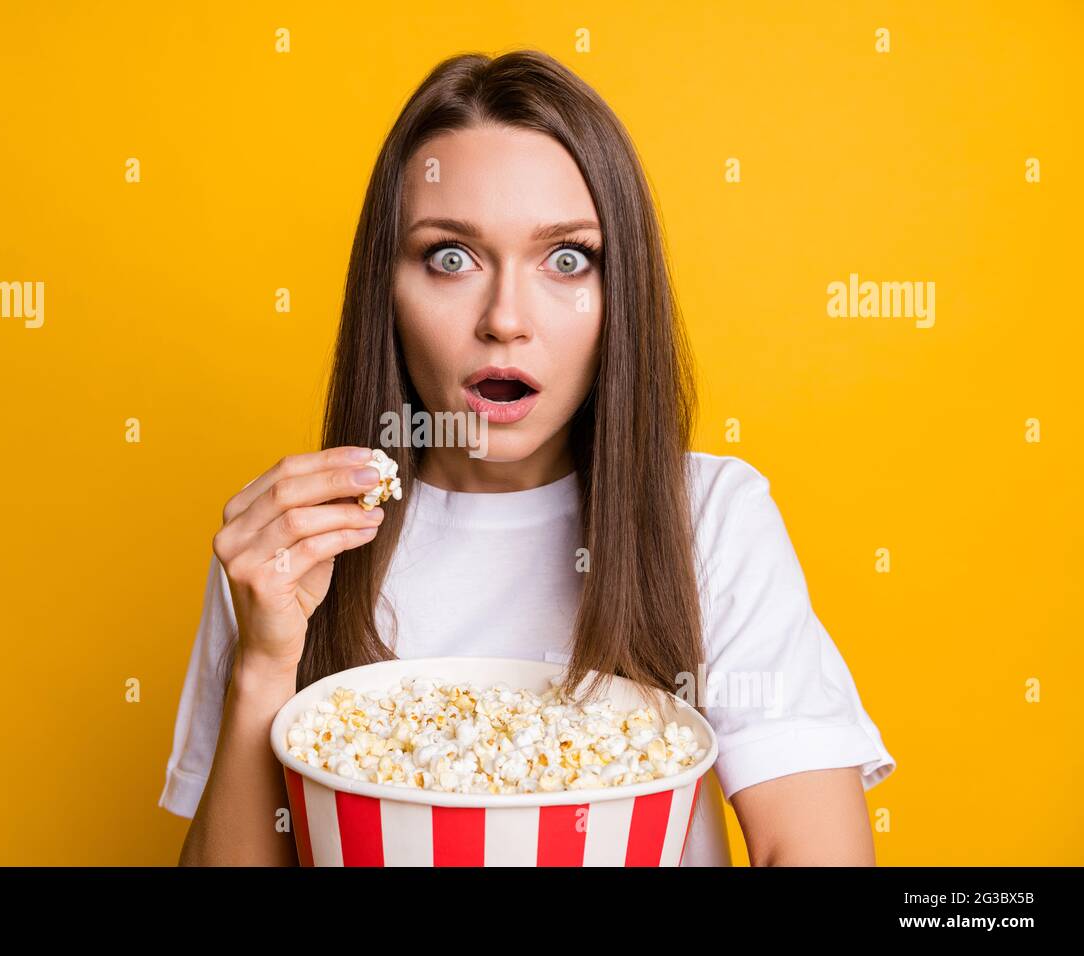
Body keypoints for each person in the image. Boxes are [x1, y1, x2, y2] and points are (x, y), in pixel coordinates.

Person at [160, 49, 895, 866]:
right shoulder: (294, 539)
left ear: (623, 293)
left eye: (567, 259)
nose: (505, 318)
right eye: (451, 257)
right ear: (386, 291)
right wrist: (265, 664)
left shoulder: (710, 517)